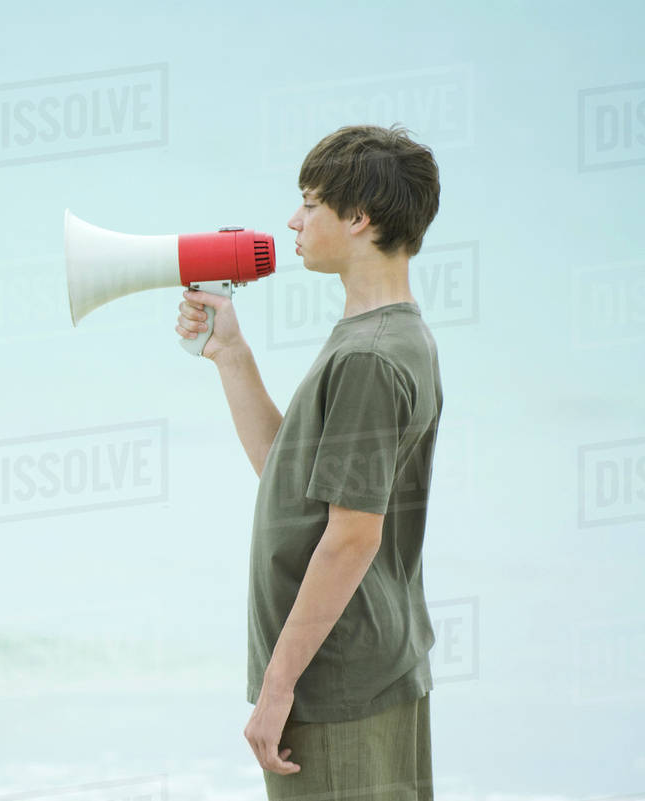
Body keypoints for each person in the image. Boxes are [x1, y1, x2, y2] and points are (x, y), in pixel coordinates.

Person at [177, 123, 443, 800]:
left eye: (310, 203)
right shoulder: (390, 335)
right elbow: (291, 478)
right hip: (367, 663)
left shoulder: (367, 358)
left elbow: (353, 536)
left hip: (337, 681)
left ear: (359, 218)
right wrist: (230, 354)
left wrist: (278, 686)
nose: (294, 221)